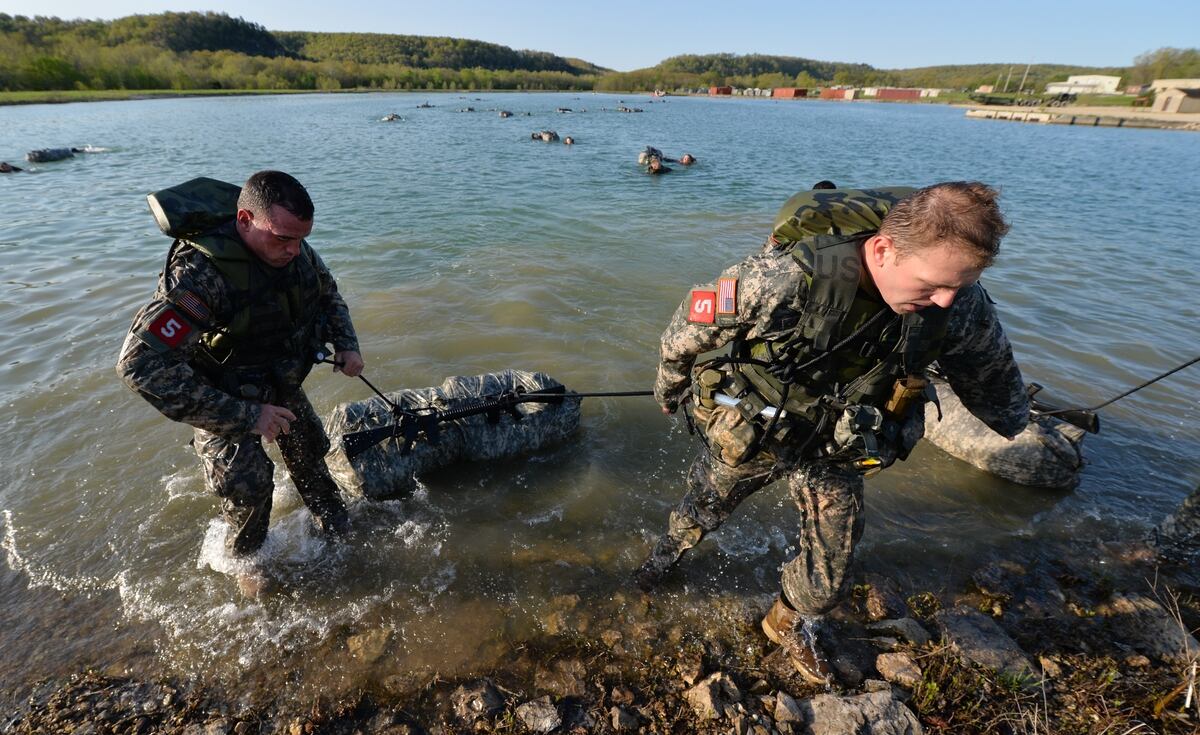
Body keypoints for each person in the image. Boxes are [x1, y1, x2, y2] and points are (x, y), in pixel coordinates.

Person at [635, 182, 1028, 683]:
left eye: (960, 285)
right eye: (932, 285)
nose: (945, 299)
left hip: (836, 445)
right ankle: (662, 562)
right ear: (883, 250)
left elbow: (993, 373)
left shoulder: (959, 303)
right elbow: (687, 332)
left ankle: (785, 622)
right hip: (760, 427)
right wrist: (669, 390)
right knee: (705, 507)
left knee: (829, 578)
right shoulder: (782, 279)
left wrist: (1013, 423)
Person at [117, 171, 363, 596]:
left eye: (301, 239)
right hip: (222, 396)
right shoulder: (201, 276)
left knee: (309, 452)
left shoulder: (295, 249)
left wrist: (347, 344)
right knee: (248, 485)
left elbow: (328, 296)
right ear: (246, 220)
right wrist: (247, 416)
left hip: (279, 382)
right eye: (283, 239)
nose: (294, 250)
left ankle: (335, 526)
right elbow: (139, 366)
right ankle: (245, 561)